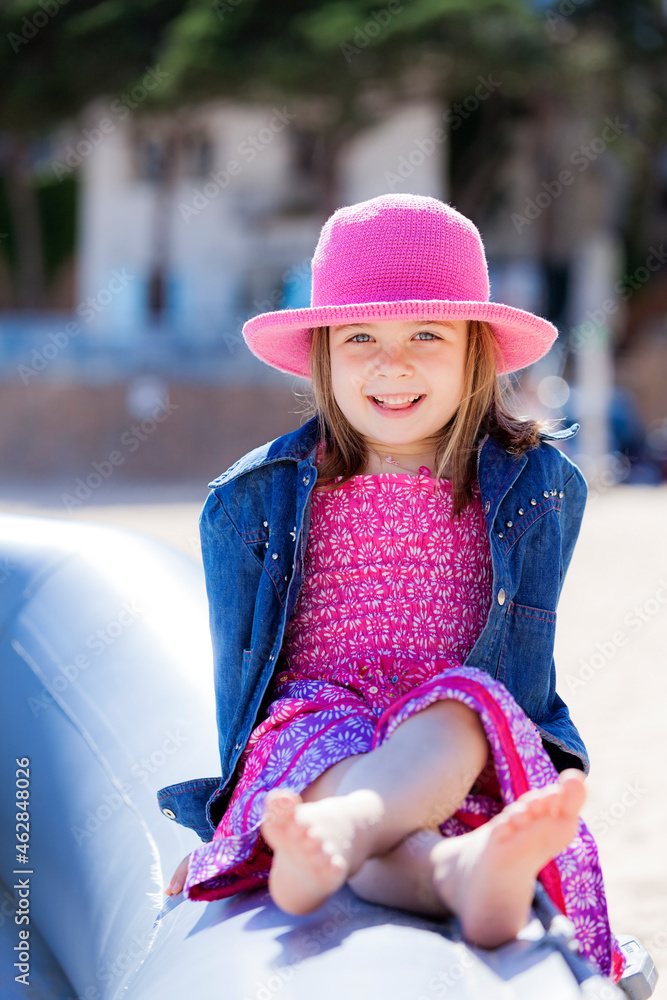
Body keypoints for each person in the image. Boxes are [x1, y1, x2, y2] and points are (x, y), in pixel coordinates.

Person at [159, 194, 626, 983]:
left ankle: (371, 838)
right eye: (361, 337)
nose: (392, 362)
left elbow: (524, 669)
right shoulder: (259, 498)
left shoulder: (525, 488)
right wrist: (221, 819)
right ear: (324, 356)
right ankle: (450, 872)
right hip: (320, 720)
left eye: (425, 335)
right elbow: (240, 680)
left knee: (462, 711)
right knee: (317, 773)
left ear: (476, 351)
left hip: (443, 727)